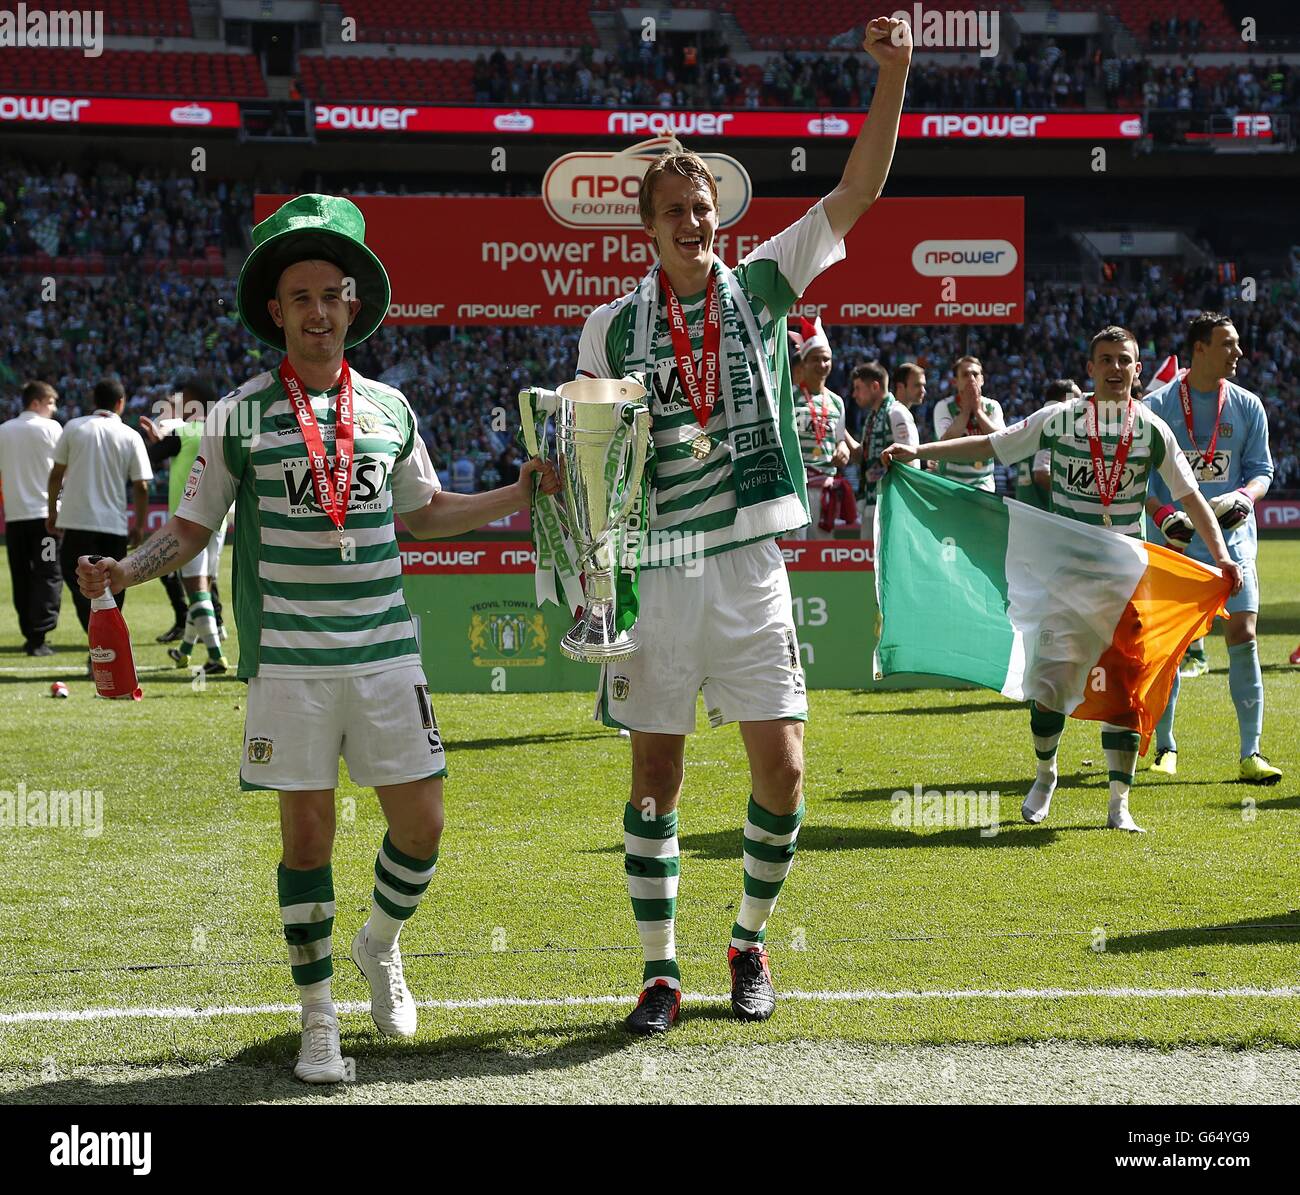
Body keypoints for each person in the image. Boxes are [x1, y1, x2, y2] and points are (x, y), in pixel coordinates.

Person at [76, 194, 559, 1084]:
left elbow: (425, 514)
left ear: (352, 304)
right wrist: (124, 571)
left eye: (332, 293)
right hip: (292, 663)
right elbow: (187, 531)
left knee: (423, 826)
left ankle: (380, 943)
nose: (317, 310)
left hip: (385, 652)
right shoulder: (236, 416)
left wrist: (518, 494)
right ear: (276, 309)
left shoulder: (390, 407)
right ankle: (318, 1015)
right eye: (300, 295)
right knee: (308, 838)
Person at [573, 16, 911, 1034]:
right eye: (673, 210)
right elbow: (594, 463)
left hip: (749, 564)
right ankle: (658, 971)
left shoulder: (764, 285)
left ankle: (749, 938)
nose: (691, 222)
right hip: (657, 572)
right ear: (647, 225)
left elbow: (859, 190)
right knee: (655, 777)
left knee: (787, 766)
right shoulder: (612, 325)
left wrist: (891, 76)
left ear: (721, 215)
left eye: (703, 207)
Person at [882, 326, 1242, 833]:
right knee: (1050, 682)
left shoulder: (1153, 430)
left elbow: (1190, 498)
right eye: (1106, 360)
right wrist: (919, 455)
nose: (1116, 369)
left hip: (1124, 577)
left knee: (1124, 685)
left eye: (1125, 360)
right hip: (1064, 573)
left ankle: (1119, 804)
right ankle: (1046, 772)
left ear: (1138, 370)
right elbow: (990, 445)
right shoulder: (1059, 419)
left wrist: (1223, 555)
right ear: (1090, 368)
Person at [1143, 313, 1281, 785]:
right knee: (1172, 645)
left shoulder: (1248, 405)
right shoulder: (1157, 404)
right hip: (1175, 540)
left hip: (1232, 538)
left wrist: (1245, 496)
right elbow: (1135, 477)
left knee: (1243, 634)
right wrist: (1162, 514)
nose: (1238, 352)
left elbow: (1262, 469)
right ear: (1199, 348)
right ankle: (1166, 747)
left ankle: (1251, 753)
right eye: (1228, 344)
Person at [138, 379, 232, 675]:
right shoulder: (223, 430)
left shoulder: (182, 431)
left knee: (195, 589)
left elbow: (150, 458)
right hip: (219, 519)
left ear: (191, 400)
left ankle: (216, 657)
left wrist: (157, 438)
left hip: (189, 519)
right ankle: (185, 650)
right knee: (203, 586)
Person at [48, 379, 151, 637]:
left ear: (94, 401)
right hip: (113, 525)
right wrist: (139, 525)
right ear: (121, 403)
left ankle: (97, 639)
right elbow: (141, 487)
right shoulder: (131, 435)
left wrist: (52, 511)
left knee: (80, 583)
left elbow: (56, 474)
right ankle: (107, 641)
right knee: (113, 586)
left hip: (76, 521)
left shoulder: (73, 427)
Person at [0, 381, 63, 655]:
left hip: (14, 519)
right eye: (51, 403)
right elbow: (65, 470)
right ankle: (39, 635)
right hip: (45, 519)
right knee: (48, 574)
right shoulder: (52, 429)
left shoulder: (3, 431)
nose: (55, 408)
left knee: (22, 576)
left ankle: (30, 633)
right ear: (36, 402)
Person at [788, 315, 850, 539]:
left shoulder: (836, 401)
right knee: (795, 552)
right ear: (803, 362)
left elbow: (840, 438)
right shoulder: (789, 398)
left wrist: (843, 448)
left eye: (826, 359)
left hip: (826, 486)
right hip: (796, 488)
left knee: (822, 553)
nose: (822, 365)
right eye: (815, 359)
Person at [847, 360, 919, 536]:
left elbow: (911, 461)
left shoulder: (896, 413)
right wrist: (840, 431)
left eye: (857, 388)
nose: (854, 394)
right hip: (872, 502)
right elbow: (860, 458)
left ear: (874, 386)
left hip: (891, 505)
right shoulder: (872, 418)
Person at [932, 355, 1005, 490]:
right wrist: (965, 412)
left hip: (984, 485)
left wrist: (978, 412)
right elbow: (945, 441)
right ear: (955, 382)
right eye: (965, 375)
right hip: (950, 484)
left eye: (975, 374)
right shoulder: (943, 406)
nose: (971, 379)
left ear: (982, 380)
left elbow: (1002, 442)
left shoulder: (992, 406)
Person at [1013, 378, 1080, 510]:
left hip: (1024, 506)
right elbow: (1041, 473)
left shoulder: (1034, 420)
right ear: (1067, 399)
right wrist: (1071, 499)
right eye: (1077, 399)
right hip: (1041, 513)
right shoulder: (1056, 423)